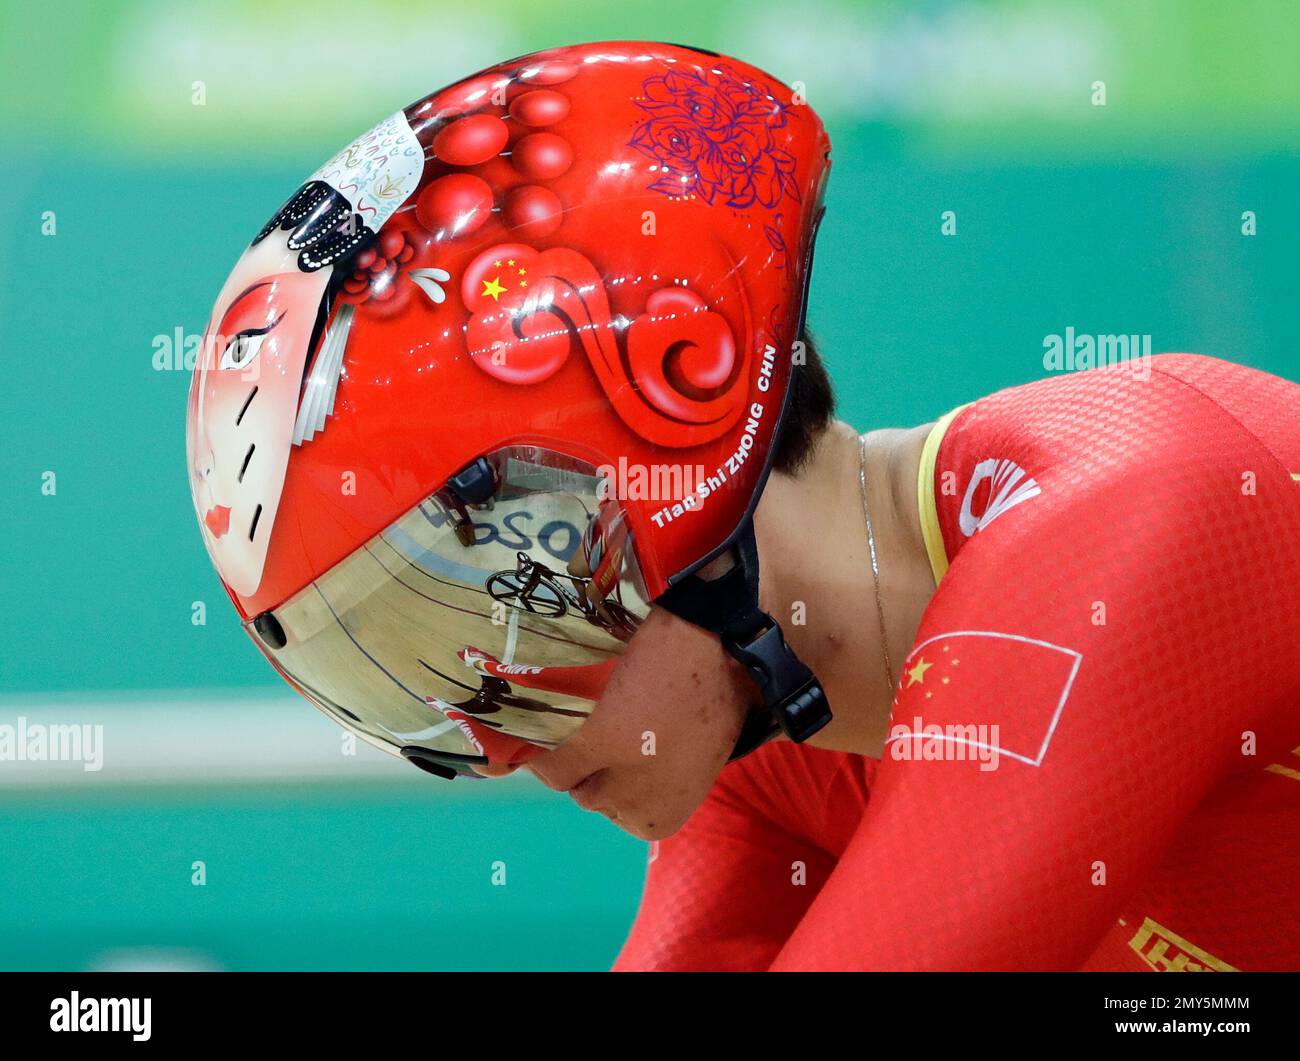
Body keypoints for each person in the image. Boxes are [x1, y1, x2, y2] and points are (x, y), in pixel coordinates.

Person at [186, 41, 1300, 971]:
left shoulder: (1143, 507)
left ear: (674, 485)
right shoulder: (775, 741)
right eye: (397, 682)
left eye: (491, 619)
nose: (493, 751)